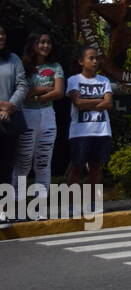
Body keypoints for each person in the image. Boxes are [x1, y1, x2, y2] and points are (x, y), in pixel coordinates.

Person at [15, 32, 63, 201]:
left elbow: (59, 91)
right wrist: (42, 90)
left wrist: (36, 96)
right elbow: (21, 92)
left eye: (48, 43)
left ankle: (39, 203)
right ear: (33, 44)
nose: (46, 46)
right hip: (27, 115)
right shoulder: (22, 65)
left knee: (43, 162)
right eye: (42, 42)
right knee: (23, 161)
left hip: (48, 116)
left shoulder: (55, 66)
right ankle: (16, 202)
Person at [66, 46, 113, 214]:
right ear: (81, 61)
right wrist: (99, 100)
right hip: (80, 132)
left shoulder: (104, 80)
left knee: (95, 168)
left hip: (101, 131)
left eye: (97, 58)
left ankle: (94, 202)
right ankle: (71, 204)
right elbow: (77, 103)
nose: (95, 61)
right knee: (76, 167)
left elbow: (108, 103)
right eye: (91, 58)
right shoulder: (73, 80)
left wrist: (89, 102)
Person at [0, 26, 31, 225]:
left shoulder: (13, 59)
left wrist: (9, 107)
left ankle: (2, 210)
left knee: (4, 167)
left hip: (8, 120)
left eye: (3, 33)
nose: (1, 36)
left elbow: (23, 85)